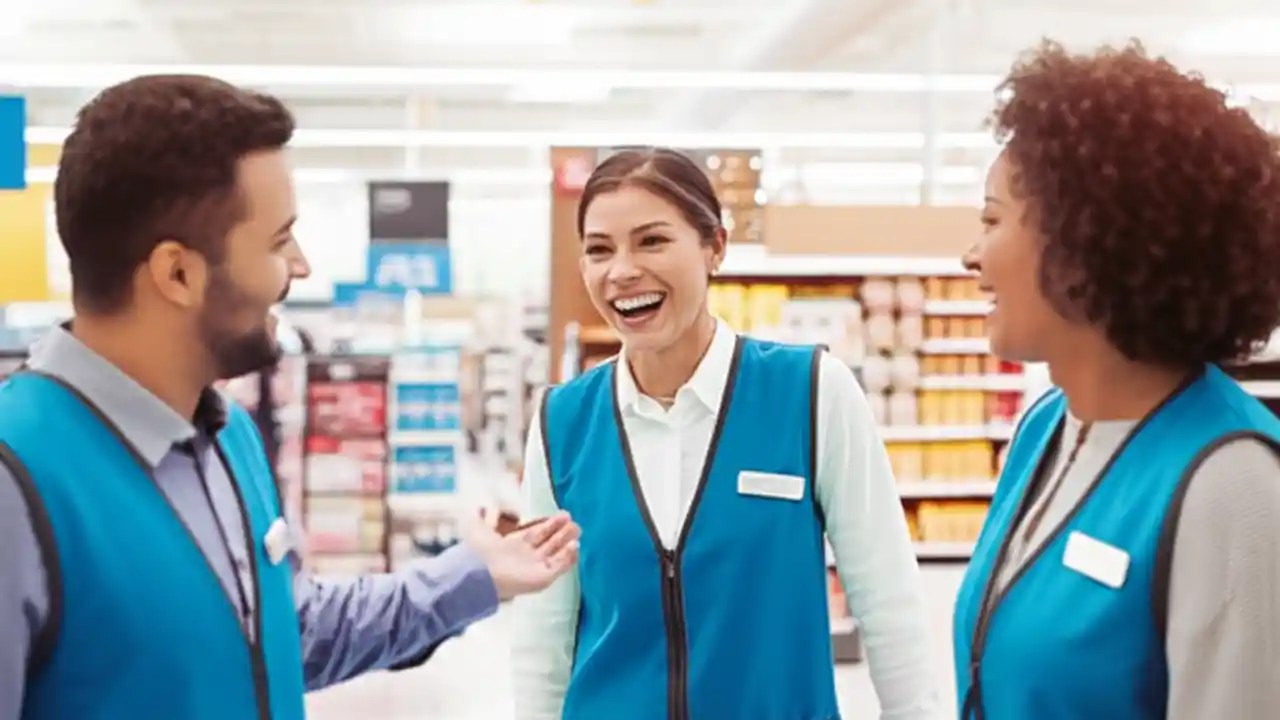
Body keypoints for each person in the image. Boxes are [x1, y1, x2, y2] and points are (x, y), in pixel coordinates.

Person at [0, 74, 580, 720]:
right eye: (279, 241)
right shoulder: (17, 479)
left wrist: (472, 576)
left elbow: (277, 637)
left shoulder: (226, 439)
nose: (301, 267)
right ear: (178, 273)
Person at [510, 147, 938, 719]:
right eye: (599, 250)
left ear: (715, 247)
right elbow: (544, 637)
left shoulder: (809, 394)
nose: (623, 271)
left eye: (653, 241)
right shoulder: (561, 423)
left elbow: (887, 599)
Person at [954, 40, 1280, 720]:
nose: (970, 255)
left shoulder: (1235, 485)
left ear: (1083, 242)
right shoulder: (1044, 427)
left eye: (992, 220)